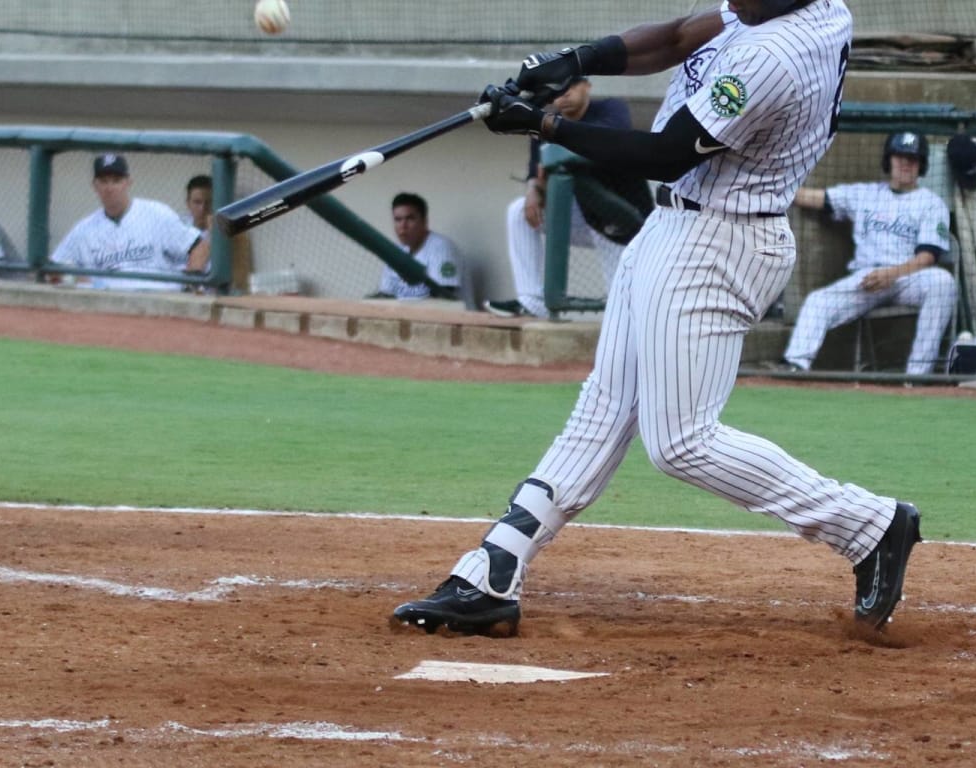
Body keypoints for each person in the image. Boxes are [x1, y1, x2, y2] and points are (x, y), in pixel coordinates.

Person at [391, 0, 921, 639]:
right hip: (676, 227)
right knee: (603, 408)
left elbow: (665, 154)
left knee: (681, 443)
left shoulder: (775, 55)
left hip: (720, 240)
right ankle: (491, 572)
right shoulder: (794, 9)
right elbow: (676, 36)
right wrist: (577, 60)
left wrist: (544, 125)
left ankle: (868, 525)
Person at [779, 131, 955, 375]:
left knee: (943, 283)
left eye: (913, 158)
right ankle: (795, 365)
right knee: (818, 301)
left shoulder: (931, 203)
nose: (905, 163)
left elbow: (928, 257)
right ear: (888, 160)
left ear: (922, 164)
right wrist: (774, 190)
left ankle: (918, 375)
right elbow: (816, 198)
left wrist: (892, 274)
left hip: (908, 278)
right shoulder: (865, 194)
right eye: (900, 156)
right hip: (867, 278)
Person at [484, 76, 652, 319]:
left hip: (625, 219)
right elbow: (535, 169)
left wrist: (559, 141)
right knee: (518, 211)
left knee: (622, 303)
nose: (564, 94)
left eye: (570, 86)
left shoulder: (610, 108)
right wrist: (534, 189)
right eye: (557, 89)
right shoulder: (545, 123)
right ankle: (532, 301)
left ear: (587, 86)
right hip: (583, 217)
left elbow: (611, 135)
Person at [49, 154, 208, 292]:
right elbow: (54, 267)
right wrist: (78, 278)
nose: (110, 188)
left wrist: (192, 282)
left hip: (159, 297)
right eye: (104, 181)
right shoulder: (84, 229)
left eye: (116, 180)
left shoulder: (157, 214)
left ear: (128, 182)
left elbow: (200, 246)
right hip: (109, 303)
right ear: (94, 186)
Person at [368, 192, 462, 300]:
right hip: (406, 311)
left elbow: (443, 297)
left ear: (424, 221)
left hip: (447, 311)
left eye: (410, 219)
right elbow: (386, 294)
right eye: (398, 219)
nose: (403, 226)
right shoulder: (396, 251)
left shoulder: (441, 248)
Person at [183, 174, 253, 294]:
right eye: (197, 202)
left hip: (215, 294)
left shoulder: (232, 233)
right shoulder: (179, 227)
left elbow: (240, 280)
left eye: (209, 202)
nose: (202, 208)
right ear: (188, 203)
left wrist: (213, 234)